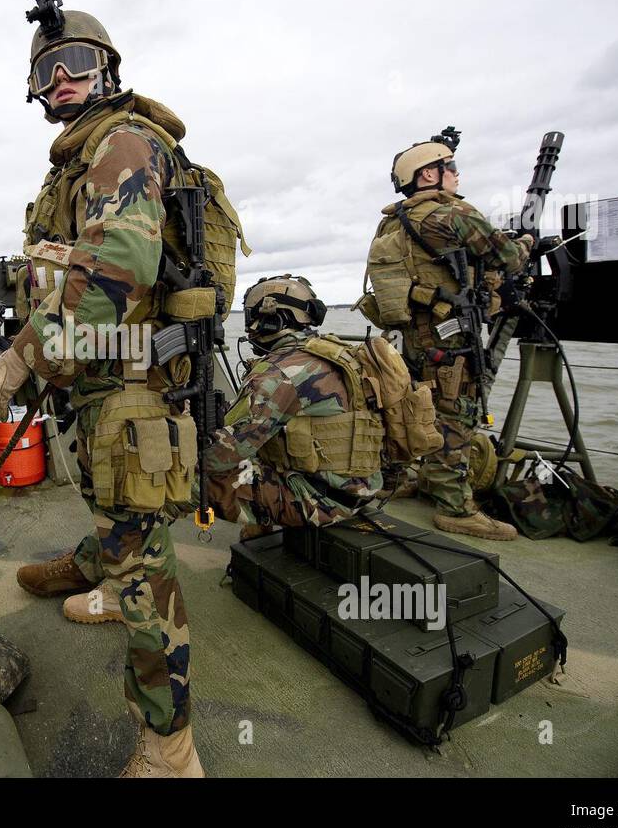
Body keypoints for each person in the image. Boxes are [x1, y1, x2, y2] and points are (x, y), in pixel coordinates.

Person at [0, 0, 204, 778]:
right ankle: (97, 573)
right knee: (114, 518)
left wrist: (21, 356)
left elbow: (117, 269)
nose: (59, 79)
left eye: (74, 63)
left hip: (131, 384)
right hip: (96, 382)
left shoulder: (124, 143)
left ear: (107, 69)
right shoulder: (74, 160)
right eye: (45, 71)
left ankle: (171, 749)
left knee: (144, 565)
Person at [377, 138, 533, 540]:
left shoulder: (393, 221)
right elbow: (506, 256)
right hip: (448, 337)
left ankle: (406, 478)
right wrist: (528, 243)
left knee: (408, 406)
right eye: (451, 165)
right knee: (454, 412)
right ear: (428, 174)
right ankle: (455, 508)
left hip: (409, 333)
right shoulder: (452, 214)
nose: (457, 173)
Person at [201, 275, 386, 532]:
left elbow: (217, 458)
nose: (249, 329)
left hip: (321, 502)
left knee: (189, 477)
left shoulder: (279, 373)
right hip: (360, 487)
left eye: (251, 318)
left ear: (271, 318)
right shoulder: (337, 352)